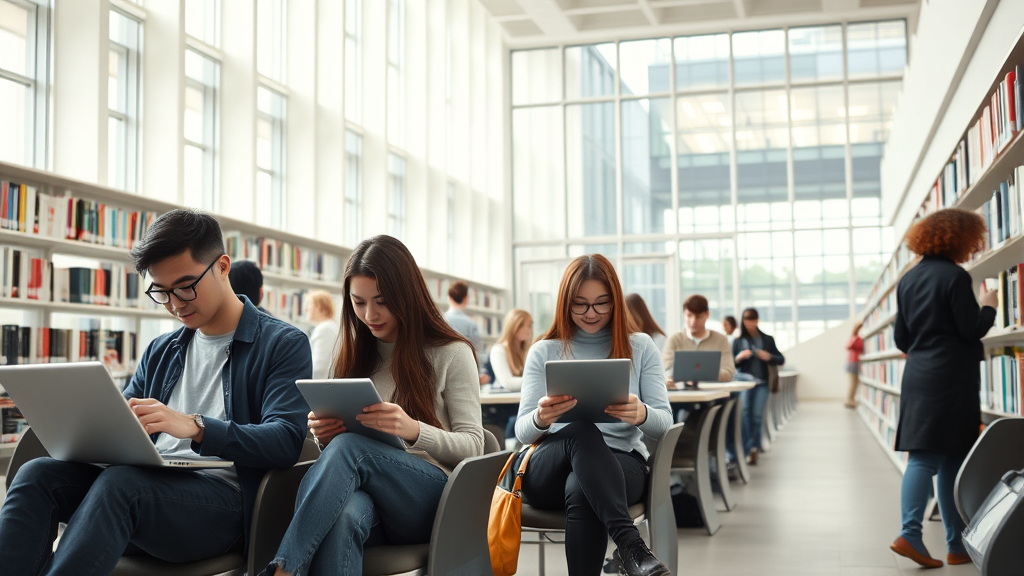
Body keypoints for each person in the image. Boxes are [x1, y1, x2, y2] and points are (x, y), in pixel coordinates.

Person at [0, 209, 311, 575]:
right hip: (143, 490)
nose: (176, 304)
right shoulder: (162, 349)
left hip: (224, 505)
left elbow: (286, 440)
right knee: (38, 474)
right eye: (160, 292)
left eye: (184, 286)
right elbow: (122, 423)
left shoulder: (283, 344)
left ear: (223, 266)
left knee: (122, 485)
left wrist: (196, 427)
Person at [262, 235, 485, 576]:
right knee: (346, 513)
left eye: (381, 301)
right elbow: (337, 451)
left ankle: (284, 569)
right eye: (359, 302)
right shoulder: (350, 356)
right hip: (368, 497)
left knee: (353, 448)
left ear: (407, 296)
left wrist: (414, 430)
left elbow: (474, 444)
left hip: (431, 502)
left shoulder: (452, 352)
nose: (370, 314)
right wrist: (324, 435)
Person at [516, 254, 672, 576]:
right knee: (583, 429)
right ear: (565, 303)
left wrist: (641, 413)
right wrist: (541, 418)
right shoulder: (544, 350)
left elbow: (665, 425)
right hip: (549, 463)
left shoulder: (640, 347)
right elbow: (522, 432)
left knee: (582, 486)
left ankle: (627, 552)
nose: (591, 314)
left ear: (616, 301)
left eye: (602, 303)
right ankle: (631, 546)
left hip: (620, 463)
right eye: (580, 304)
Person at [888, 209, 995, 569]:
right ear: (959, 238)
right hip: (951, 378)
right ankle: (910, 534)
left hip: (919, 374)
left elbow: (901, 337)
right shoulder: (955, 277)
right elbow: (970, 329)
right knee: (928, 458)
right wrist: (990, 307)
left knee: (950, 458)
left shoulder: (908, 279)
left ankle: (956, 546)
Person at [733, 308, 785, 466]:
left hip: (762, 383)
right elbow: (730, 364)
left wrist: (768, 356)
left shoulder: (767, 339)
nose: (749, 324)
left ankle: (754, 447)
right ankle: (748, 447)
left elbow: (781, 359)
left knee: (756, 416)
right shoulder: (738, 341)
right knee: (745, 414)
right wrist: (739, 357)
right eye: (746, 320)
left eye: (752, 320)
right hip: (744, 384)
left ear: (757, 320)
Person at [662, 294, 736, 387]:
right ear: (684, 315)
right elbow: (665, 369)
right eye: (689, 315)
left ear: (707, 314)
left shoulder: (721, 340)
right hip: (682, 395)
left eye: (698, 317)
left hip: (712, 396)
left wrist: (699, 375)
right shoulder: (675, 339)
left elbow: (728, 373)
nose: (693, 321)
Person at [444, 280, 488, 383]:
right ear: (466, 298)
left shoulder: (439, 320)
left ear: (449, 297)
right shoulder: (470, 324)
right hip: (466, 372)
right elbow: (477, 351)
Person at [489, 308, 533, 392]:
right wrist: (538, 380)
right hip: (504, 401)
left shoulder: (526, 351)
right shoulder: (498, 350)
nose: (529, 330)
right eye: (528, 325)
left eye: (530, 326)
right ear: (516, 326)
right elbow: (507, 383)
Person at [306, 290, 340, 380]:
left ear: (320, 307)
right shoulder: (329, 327)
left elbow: (319, 367)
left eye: (309, 304)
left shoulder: (325, 329)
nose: (306, 309)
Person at [845, 322, 864, 409]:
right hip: (854, 362)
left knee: (854, 383)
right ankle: (850, 400)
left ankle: (851, 399)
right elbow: (850, 346)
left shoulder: (853, 338)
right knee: (853, 383)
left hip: (852, 362)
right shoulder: (856, 338)